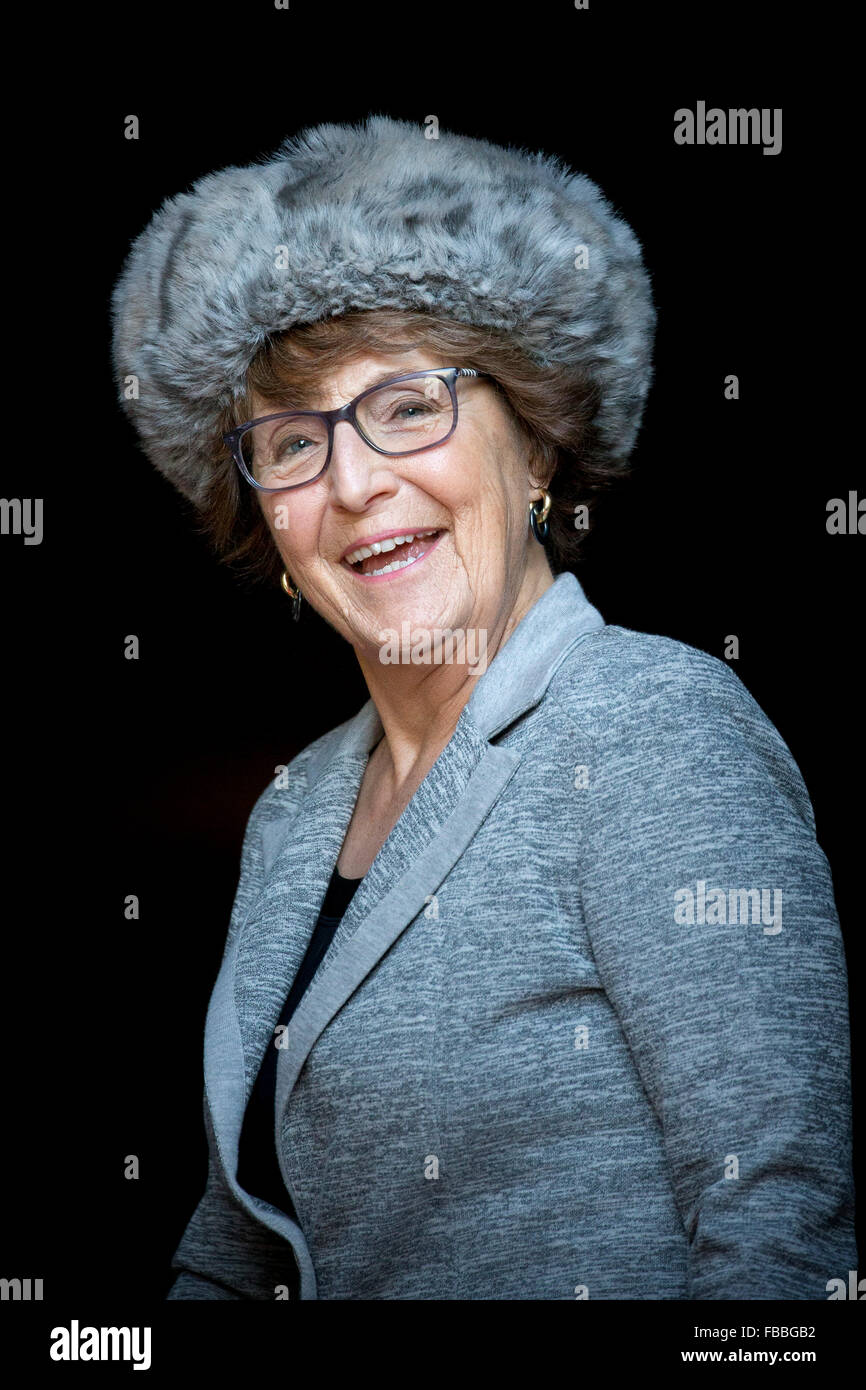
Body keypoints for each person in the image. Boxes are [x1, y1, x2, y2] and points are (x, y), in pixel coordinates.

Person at [111, 115, 856, 1300]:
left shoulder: (652, 728)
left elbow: (776, 1240)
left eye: (410, 406)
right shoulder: (293, 811)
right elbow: (235, 1249)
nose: (355, 483)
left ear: (537, 445)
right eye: (293, 443)